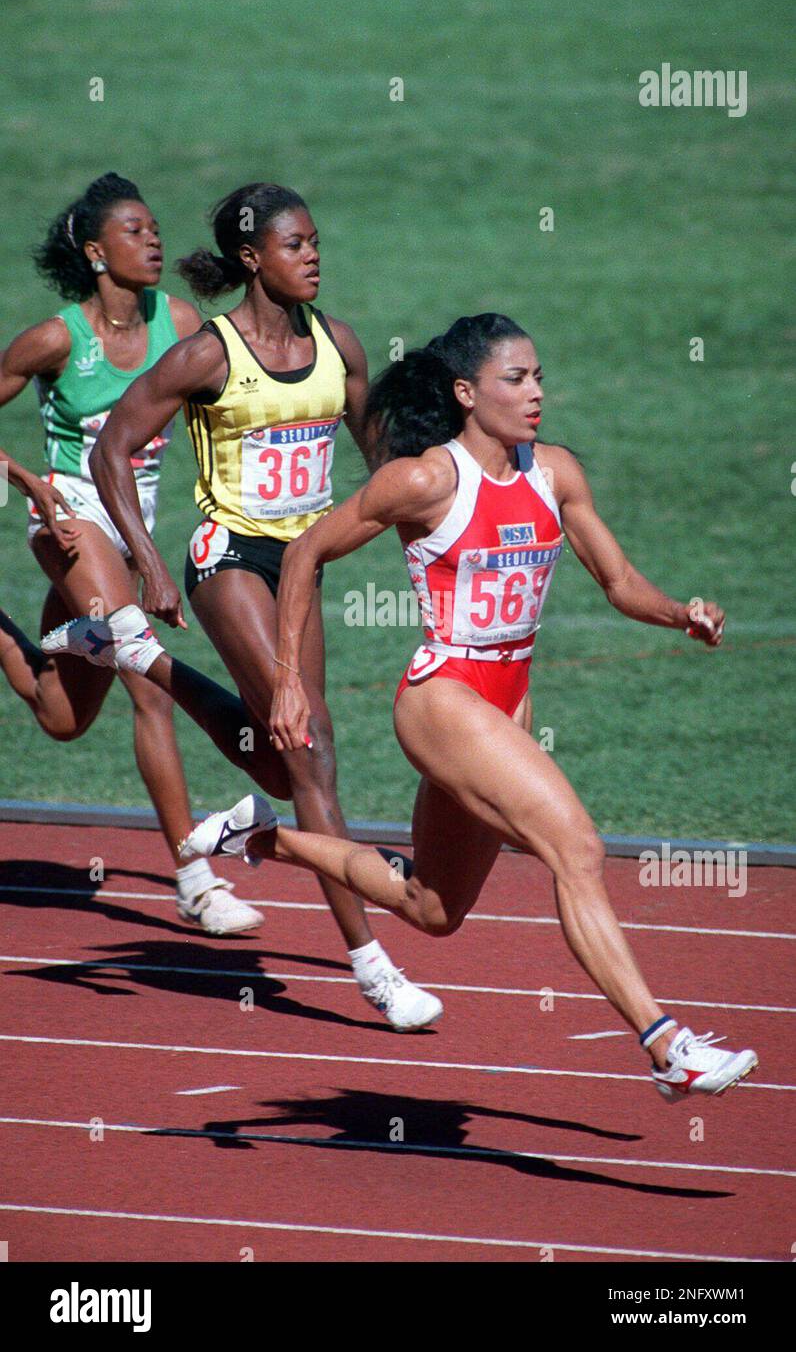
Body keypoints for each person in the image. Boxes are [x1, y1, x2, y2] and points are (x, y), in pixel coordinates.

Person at [93, 311, 756, 1102]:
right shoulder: (424, 479)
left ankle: (262, 838)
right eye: (517, 379)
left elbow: (618, 583)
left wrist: (680, 612)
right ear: (468, 392)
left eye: (539, 375)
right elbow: (306, 550)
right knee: (575, 848)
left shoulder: (556, 473)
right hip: (444, 699)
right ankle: (666, 1046)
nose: (537, 392)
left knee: (432, 907)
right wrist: (289, 679)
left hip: (507, 704)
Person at [45, 183, 441, 1031]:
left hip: (300, 565)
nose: (314, 257)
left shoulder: (341, 347)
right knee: (316, 748)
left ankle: (138, 660)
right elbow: (114, 446)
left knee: (282, 764)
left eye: (318, 242)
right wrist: (147, 565)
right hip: (227, 556)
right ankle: (375, 972)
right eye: (296, 245)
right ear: (253, 259)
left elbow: (383, 465)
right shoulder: (209, 356)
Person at [0, 172, 259, 935]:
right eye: (136, 232)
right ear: (94, 252)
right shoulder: (55, 340)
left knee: (61, 715)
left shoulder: (179, 322)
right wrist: (20, 478)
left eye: (155, 229)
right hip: (71, 519)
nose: (154, 241)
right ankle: (196, 878)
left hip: (131, 525)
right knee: (147, 677)